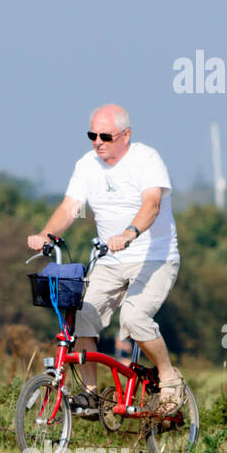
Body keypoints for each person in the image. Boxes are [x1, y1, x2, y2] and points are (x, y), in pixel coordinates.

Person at [27, 104, 186, 414]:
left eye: (105, 136)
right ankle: (89, 394)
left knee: (134, 318)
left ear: (125, 135)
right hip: (109, 262)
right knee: (81, 314)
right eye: (92, 135)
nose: (97, 141)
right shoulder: (87, 165)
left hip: (154, 258)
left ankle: (168, 377)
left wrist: (129, 233)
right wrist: (46, 233)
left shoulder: (146, 159)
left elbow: (151, 205)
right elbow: (70, 207)